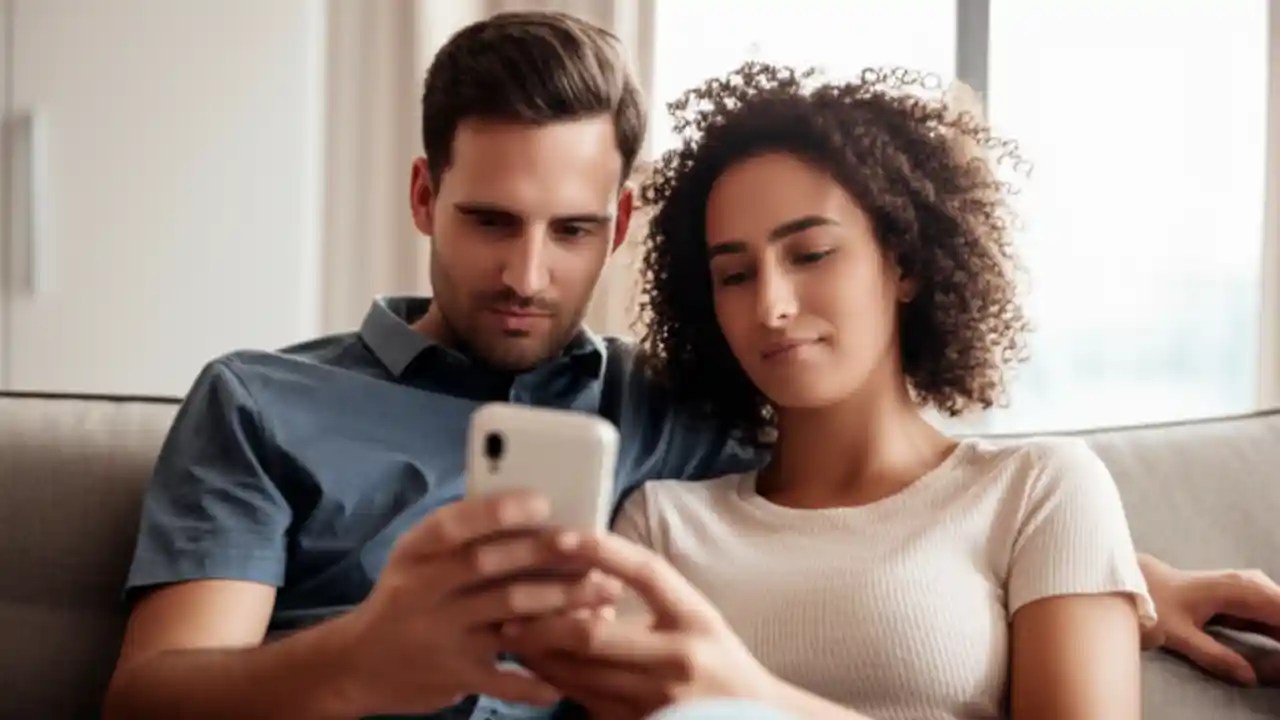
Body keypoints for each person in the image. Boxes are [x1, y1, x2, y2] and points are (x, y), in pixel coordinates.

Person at [101, 11, 1280, 720]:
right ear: (423, 196)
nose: (525, 274)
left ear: (615, 231)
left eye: (568, 233)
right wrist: (364, 660)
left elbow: (864, 493)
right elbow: (148, 701)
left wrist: (1115, 575)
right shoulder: (262, 400)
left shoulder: (664, 417)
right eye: (487, 221)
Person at [497, 63, 1153, 720]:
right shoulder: (663, 524)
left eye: (810, 254)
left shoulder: (1038, 489)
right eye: (734, 275)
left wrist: (757, 700)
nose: (771, 306)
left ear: (906, 265)